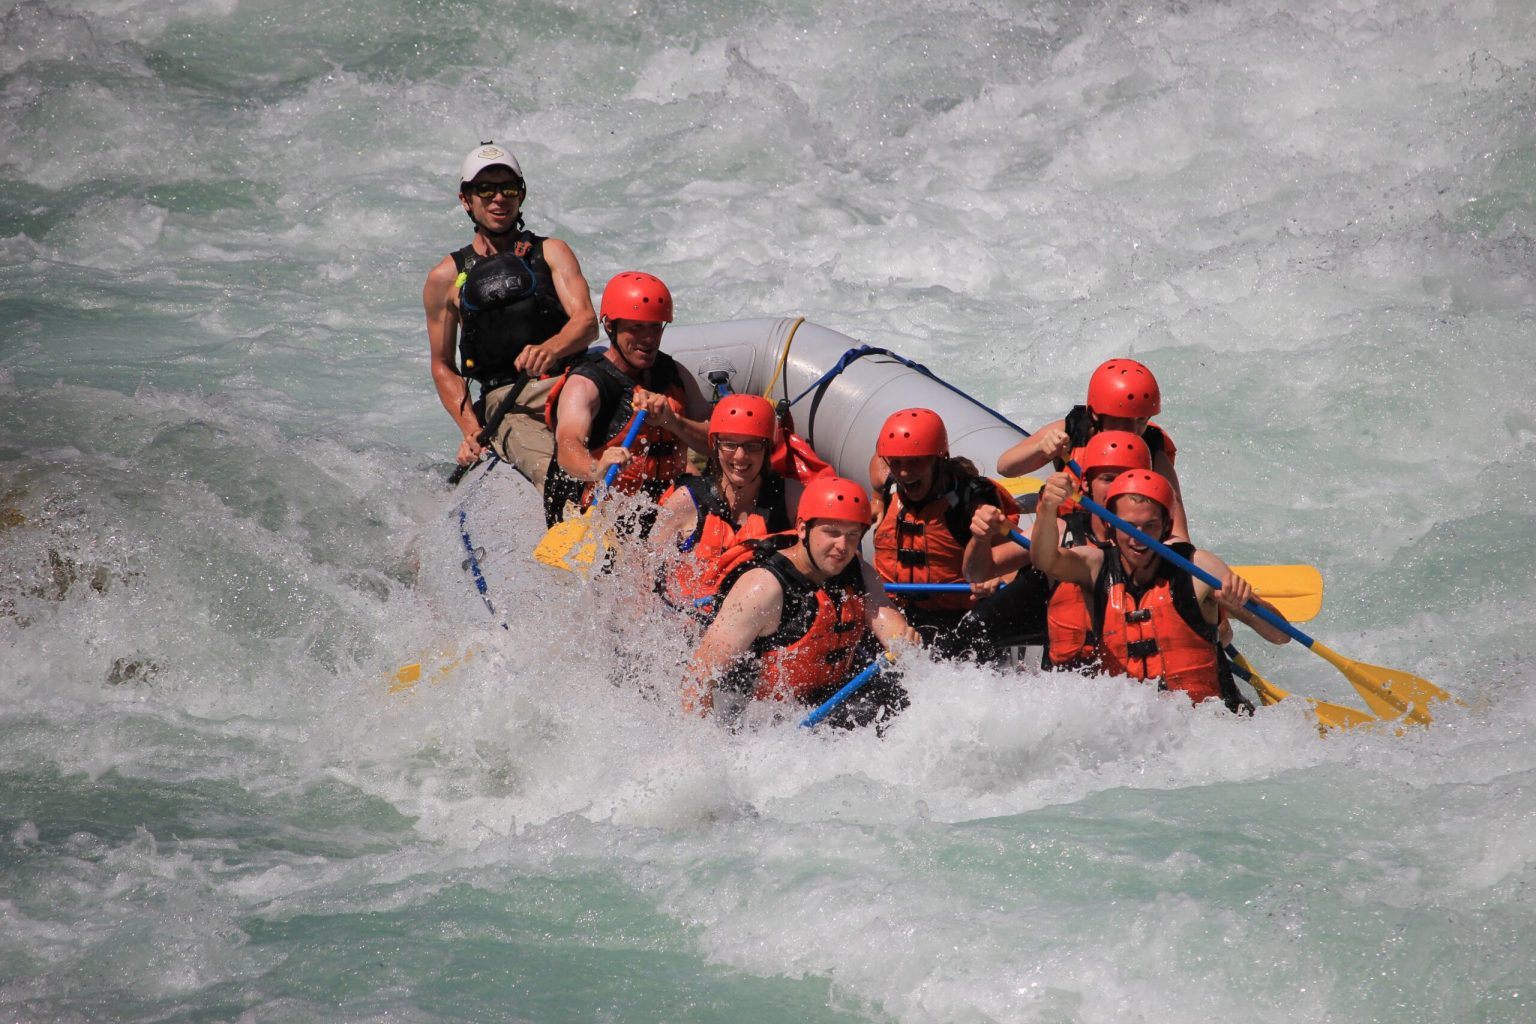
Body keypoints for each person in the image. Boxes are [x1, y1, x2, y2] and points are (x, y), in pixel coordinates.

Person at [1028, 467, 1290, 708]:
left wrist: (1243, 604)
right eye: (1128, 526)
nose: (1137, 537)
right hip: (1132, 725)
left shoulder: (1199, 568)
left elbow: (1280, 635)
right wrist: (1048, 509)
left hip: (1206, 724)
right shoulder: (1094, 566)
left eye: (1149, 526)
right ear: (1110, 523)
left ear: (1166, 525)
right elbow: (1045, 559)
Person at [681, 477, 919, 729]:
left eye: (852, 535)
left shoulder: (858, 571)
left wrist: (902, 641)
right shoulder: (762, 589)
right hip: (757, 717)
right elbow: (698, 678)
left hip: (823, 700)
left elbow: (887, 619)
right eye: (832, 533)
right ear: (803, 529)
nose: (842, 546)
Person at [424, 142, 598, 485]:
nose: (498, 198)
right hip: (505, 399)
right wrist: (472, 430)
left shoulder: (551, 252)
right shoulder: (445, 278)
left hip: (570, 381)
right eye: (485, 189)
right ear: (466, 199)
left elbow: (586, 322)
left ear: (521, 195)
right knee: (556, 474)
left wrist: (551, 348)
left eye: (508, 188)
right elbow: (443, 365)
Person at [969, 430, 1154, 665]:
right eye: (1108, 479)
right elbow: (977, 573)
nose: (1118, 489)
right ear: (1086, 484)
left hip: (1127, 679)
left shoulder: (1162, 546)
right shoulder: (1059, 532)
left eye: (1127, 478)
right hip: (1067, 674)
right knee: (973, 626)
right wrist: (980, 538)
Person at [543, 271, 710, 528]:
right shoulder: (586, 383)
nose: (649, 338)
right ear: (611, 326)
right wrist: (597, 468)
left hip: (659, 508)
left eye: (655, 327)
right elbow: (567, 447)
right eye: (637, 327)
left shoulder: (674, 373)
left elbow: (714, 440)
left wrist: (673, 422)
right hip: (597, 510)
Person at [867, 408, 1024, 661]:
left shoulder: (972, 504)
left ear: (939, 460)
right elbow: (877, 463)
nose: (905, 472)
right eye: (897, 462)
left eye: (916, 461)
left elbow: (1026, 549)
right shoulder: (887, 481)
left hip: (955, 619)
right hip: (895, 612)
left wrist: (1000, 578)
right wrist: (876, 499)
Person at [996, 358, 1188, 539]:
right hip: (1067, 532)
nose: (1133, 430)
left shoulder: (1153, 449)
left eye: (1141, 420)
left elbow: (1178, 531)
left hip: (1123, 543)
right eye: (1122, 420)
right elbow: (1006, 467)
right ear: (1096, 416)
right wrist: (1040, 448)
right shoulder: (1071, 431)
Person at [651, 394, 802, 609]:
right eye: (730, 445)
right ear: (716, 446)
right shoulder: (687, 500)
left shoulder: (790, 496)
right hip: (685, 622)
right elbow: (643, 571)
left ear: (768, 448)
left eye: (753, 446)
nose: (740, 456)